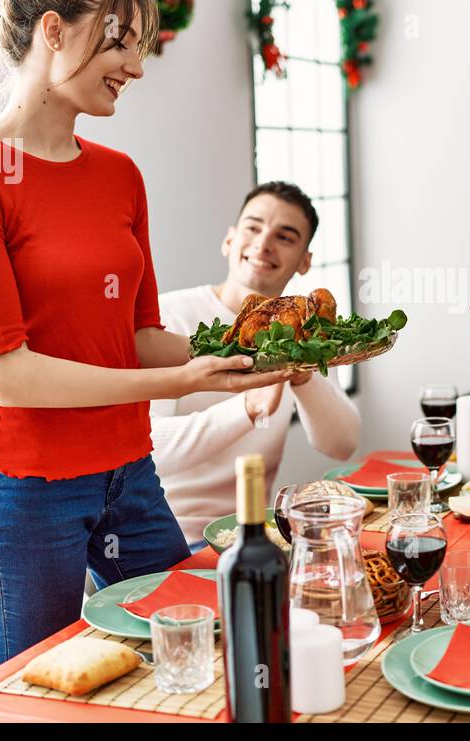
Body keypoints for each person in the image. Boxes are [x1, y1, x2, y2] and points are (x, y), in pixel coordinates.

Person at [0, 0, 290, 669]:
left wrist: (258, 351)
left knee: (198, 656)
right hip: (29, 494)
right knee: (39, 697)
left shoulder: (120, 175)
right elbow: (10, 376)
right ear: (53, 31)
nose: (137, 67)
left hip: (130, 473)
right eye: (120, 41)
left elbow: (143, 337)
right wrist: (179, 384)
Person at [151, 181, 361, 546]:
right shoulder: (167, 317)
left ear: (305, 261)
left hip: (253, 537)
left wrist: (302, 377)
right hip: (168, 540)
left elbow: (341, 444)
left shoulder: (304, 331)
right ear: (230, 241)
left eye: (286, 236)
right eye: (253, 227)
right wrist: (246, 408)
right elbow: (149, 450)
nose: (264, 243)